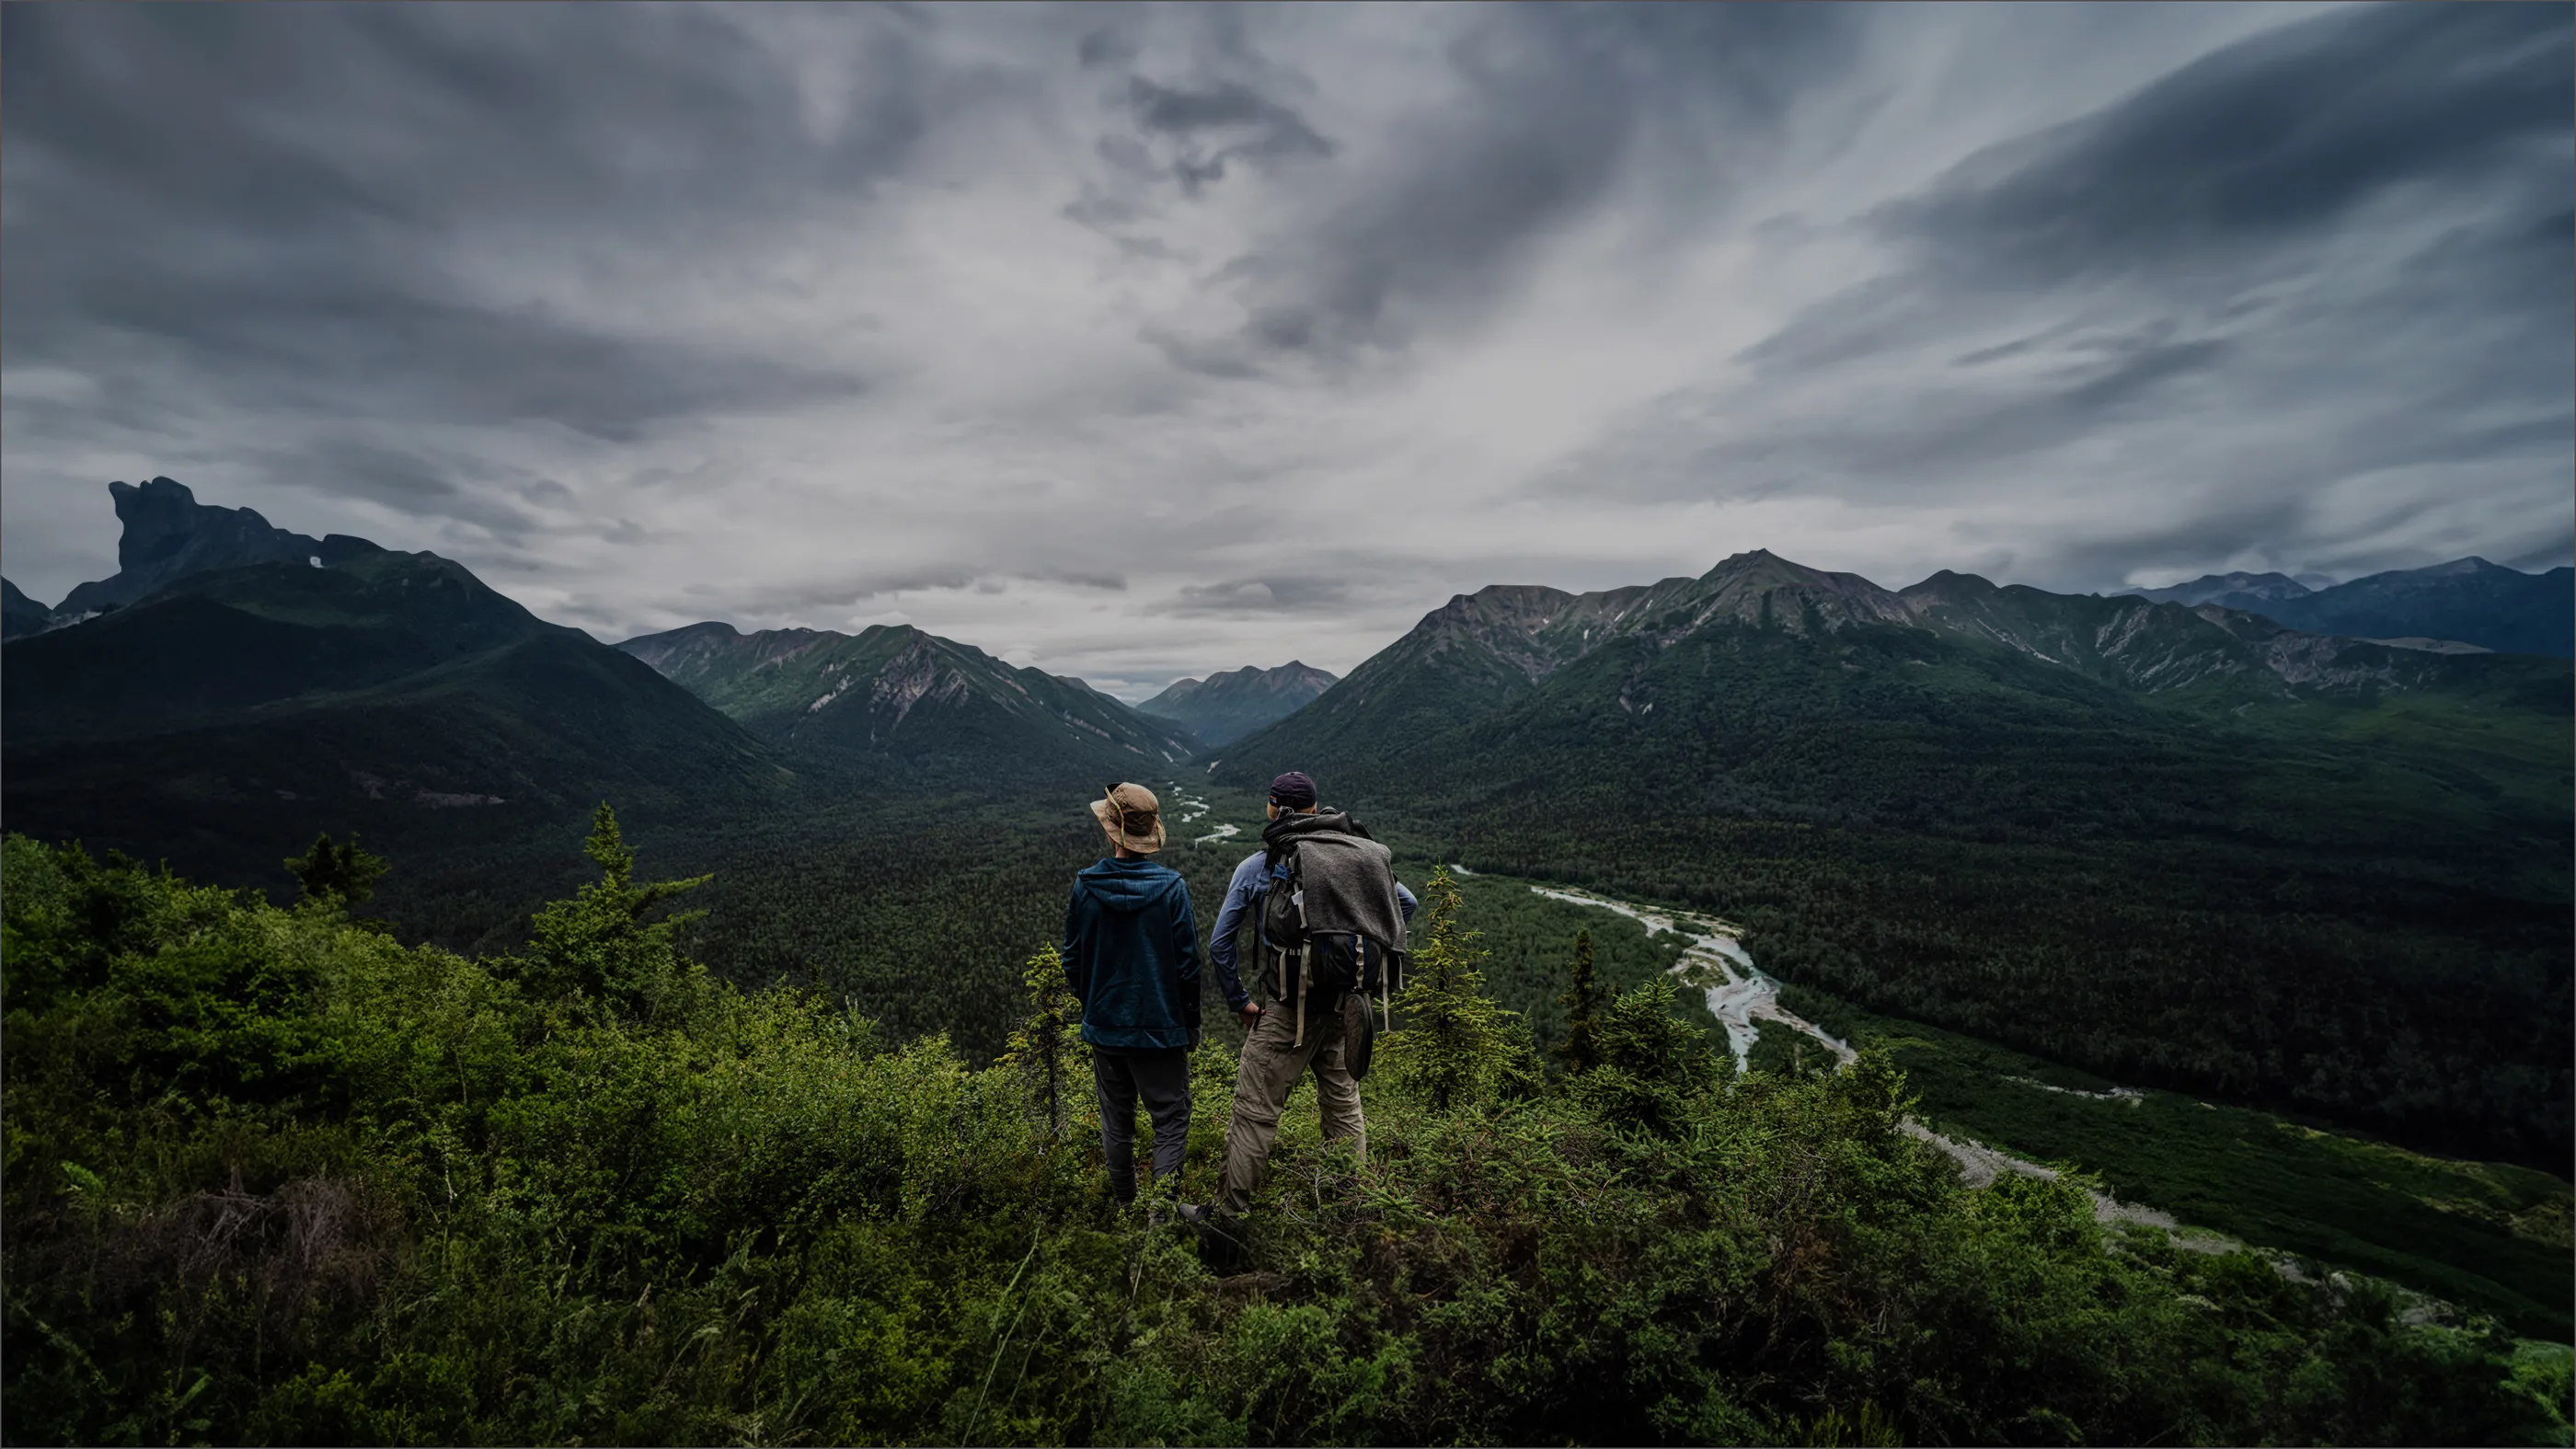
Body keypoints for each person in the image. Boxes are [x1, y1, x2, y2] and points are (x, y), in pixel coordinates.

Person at [1197, 770, 1416, 1219]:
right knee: (1343, 1106)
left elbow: (1220, 944)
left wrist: (1240, 1002)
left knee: (1257, 1108)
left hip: (1287, 1009)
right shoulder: (1356, 854)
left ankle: (1227, 1219)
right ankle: (1353, 1209)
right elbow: (1406, 903)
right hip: (1347, 1005)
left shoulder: (1262, 865)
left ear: (1276, 806)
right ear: (1316, 808)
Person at [1061, 782, 1202, 1205]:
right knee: (1170, 1120)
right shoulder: (1172, 888)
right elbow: (1188, 966)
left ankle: (1126, 1206)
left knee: (1116, 1122)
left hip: (1106, 1028)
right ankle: (1162, 1216)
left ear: (1111, 832)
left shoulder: (1086, 886)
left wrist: (1096, 1008)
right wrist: (1189, 1025)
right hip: (1161, 1029)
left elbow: (1072, 961)